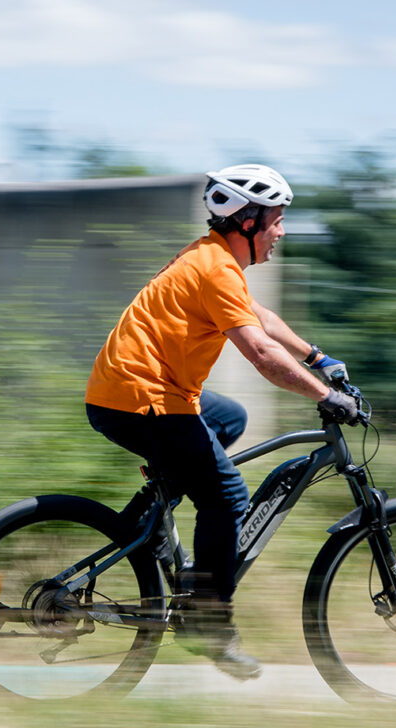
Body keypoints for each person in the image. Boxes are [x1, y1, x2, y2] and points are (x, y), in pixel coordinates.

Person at [85, 164, 360, 681]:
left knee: (229, 418)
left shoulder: (213, 260)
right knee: (228, 496)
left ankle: (156, 519)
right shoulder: (214, 268)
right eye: (276, 219)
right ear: (248, 221)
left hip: (137, 393)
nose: (281, 230)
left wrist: (319, 358)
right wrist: (326, 397)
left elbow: (264, 320)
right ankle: (208, 621)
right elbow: (259, 352)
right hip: (142, 400)